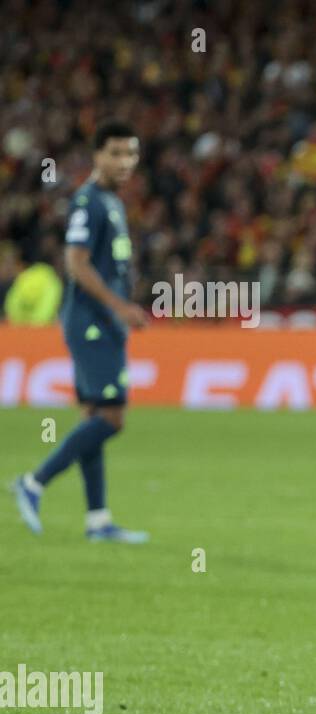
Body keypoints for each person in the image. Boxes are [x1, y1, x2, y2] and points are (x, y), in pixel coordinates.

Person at [11, 119, 151, 542]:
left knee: (93, 416)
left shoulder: (112, 202)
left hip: (101, 322)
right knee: (113, 417)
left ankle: (98, 521)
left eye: (131, 153)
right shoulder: (88, 201)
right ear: (97, 156)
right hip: (92, 322)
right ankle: (34, 482)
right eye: (116, 153)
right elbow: (76, 263)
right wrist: (119, 306)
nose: (125, 162)